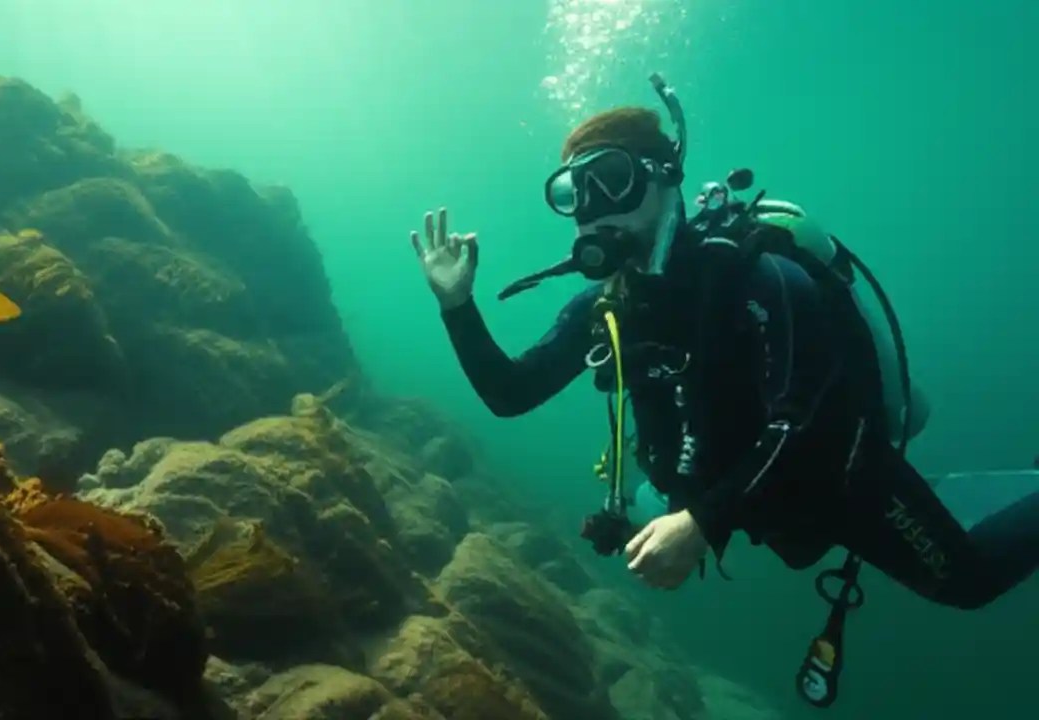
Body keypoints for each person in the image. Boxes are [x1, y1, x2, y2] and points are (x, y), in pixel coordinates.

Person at [408, 74, 1039, 707]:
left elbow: (802, 415)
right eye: (575, 192)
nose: (595, 207)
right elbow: (511, 393)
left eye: (614, 179)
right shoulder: (607, 309)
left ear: (665, 175)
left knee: (971, 581)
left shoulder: (754, 274)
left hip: (841, 481)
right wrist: (457, 305)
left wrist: (704, 521)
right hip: (754, 502)